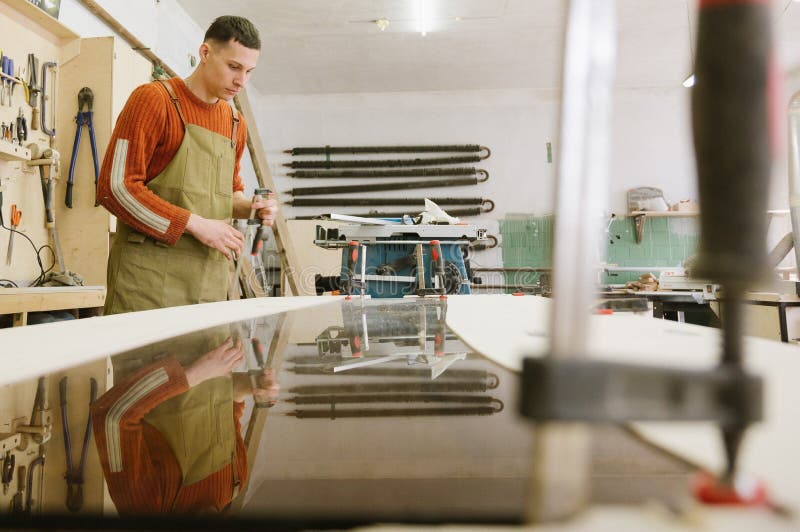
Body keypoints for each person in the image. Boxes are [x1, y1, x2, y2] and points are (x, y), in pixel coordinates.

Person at [97, 15, 277, 314]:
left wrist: (250, 208)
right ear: (205, 53)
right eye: (233, 67)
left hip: (209, 287)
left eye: (249, 71)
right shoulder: (154, 100)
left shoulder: (234, 124)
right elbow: (115, 188)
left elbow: (228, 195)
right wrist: (195, 224)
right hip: (146, 285)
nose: (241, 81)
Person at [91, 331, 280, 515]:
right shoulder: (235, 482)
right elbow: (229, 405)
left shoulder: (147, 509)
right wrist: (253, 386)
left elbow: (112, 416)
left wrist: (196, 372)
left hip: (150, 328)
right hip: (210, 327)